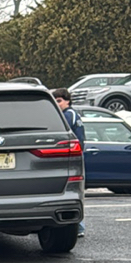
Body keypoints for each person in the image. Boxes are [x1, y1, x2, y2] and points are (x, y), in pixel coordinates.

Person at [53, 87, 87, 237]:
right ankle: (78, 225)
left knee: (71, 190)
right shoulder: (72, 114)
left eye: (59, 100)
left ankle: (78, 226)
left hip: (72, 156)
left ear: (67, 101)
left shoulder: (68, 115)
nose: (56, 103)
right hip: (75, 154)